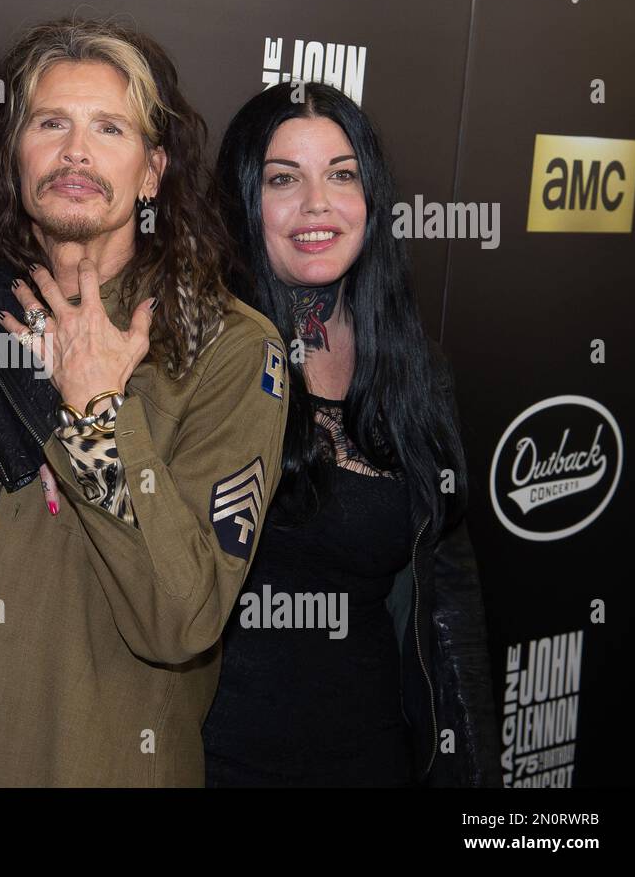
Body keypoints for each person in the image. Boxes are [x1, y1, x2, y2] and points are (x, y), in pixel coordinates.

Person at [0, 18, 289, 786]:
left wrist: (100, 412)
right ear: (12, 156)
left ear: (151, 172)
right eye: (50, 124)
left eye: (109, 127)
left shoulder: (230, 350)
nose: (76, 151)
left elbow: (183, 618)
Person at [200, 81, 500, 786]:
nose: (317, 204)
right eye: (283, 178)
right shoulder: (195, 358)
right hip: (218, 764)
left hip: (374, 761)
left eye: (342, 174)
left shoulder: (411, 370)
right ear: (244, 201)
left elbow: (450, 604)